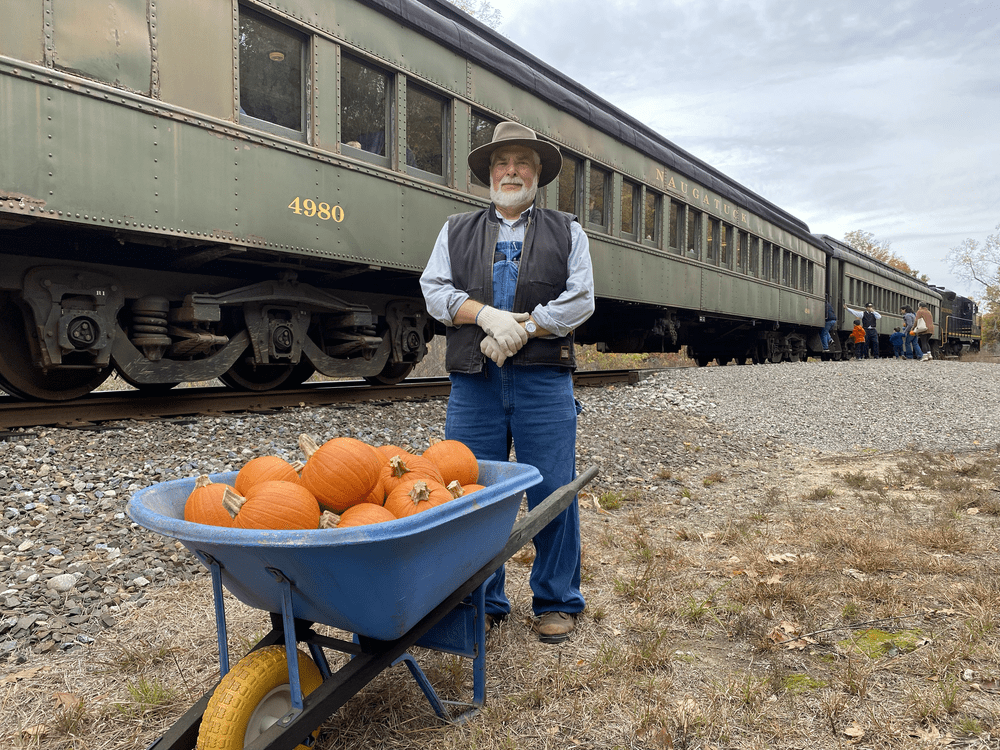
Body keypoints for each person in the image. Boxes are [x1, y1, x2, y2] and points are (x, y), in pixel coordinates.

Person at [419, 121, 595, 644]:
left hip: (543, 382)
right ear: (489, 174)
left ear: (537, 173)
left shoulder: (569, 230)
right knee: (473, 493)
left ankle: (557, 600)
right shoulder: (455, 229)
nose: (510, 170)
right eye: (502, 162)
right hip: (475, 384)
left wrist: (522, 327)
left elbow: (581, 299)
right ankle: (483, 599)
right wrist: (484, 316)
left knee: (553, 491)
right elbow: (433, 292)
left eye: (521, 162)